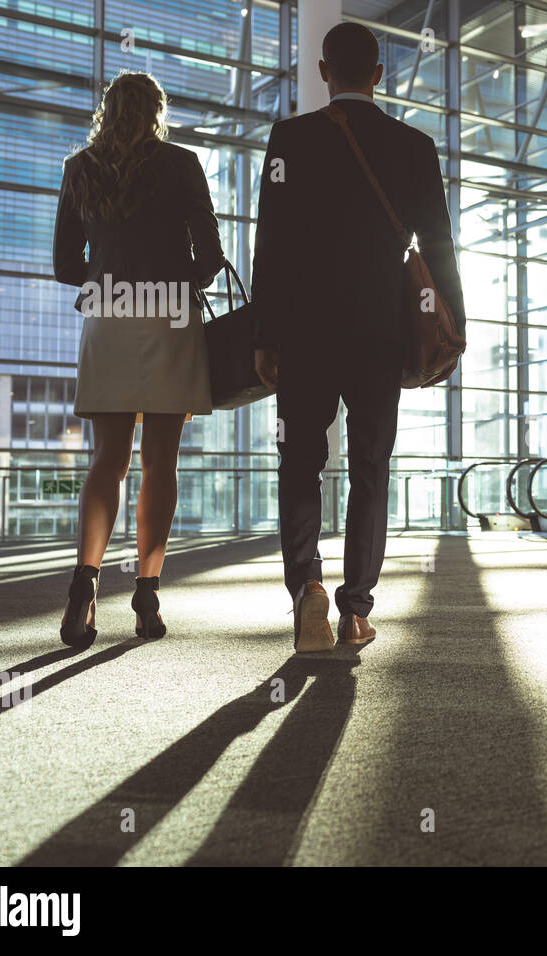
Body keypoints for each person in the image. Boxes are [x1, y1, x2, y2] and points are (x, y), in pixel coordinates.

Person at [251, 22, 466, 652]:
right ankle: (355, 611)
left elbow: (271, 244)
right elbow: (440, 246)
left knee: (300, 462)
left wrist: (265, 336)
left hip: (303, 331)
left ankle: (306, 592)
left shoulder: (290, 139)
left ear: (324, 72)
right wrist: (453, 319)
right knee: (370, 464)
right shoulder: (414, 147)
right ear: (378, 74)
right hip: (380, 332)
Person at [52, 71, 223, 648]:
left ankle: (85, 582)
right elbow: (212, 256)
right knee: (160, 463)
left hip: (108, 315)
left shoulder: (81, 167)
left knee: (108, 461)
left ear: (107, 110)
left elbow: (64, 265)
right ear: (157, 110)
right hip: (171, 315)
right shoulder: (182, 163)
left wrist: (107, 276)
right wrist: (175, 281)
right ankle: (147, 591)